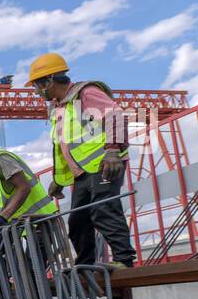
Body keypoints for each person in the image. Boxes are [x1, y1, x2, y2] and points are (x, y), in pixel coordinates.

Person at [28, 52, 135, 271]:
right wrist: (58, 179)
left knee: (104, 208)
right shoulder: (60, 108)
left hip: (105, 164)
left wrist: (113, 150)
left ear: (48, 81)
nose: (36, 92)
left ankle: (124, 260)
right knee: (78, 221)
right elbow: (62, 147)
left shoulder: (85, 94)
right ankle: (85, 265)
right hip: (84, 173)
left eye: (37, 86)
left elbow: (114, 115)